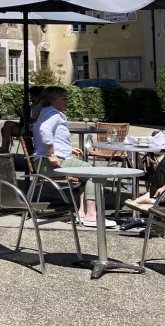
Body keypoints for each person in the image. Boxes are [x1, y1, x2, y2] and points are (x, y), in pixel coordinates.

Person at [32, 86, 109, 228]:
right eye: (64, 98)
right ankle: (91, 215)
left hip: (44, 162)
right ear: (53, 100)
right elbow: (45, 130)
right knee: (95, 173)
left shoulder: (45, 112)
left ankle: (83, 212)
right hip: (50, 164)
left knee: (86, 174)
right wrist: (51, 154)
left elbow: (52, 136)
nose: (67, 101)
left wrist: (68, 148)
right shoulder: (53, 114)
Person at [1, 86, 44, 152]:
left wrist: (23, 115)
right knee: (6, 125)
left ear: (38, 96)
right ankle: (4, 149)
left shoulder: (40, 106)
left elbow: (33, 120)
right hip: (24, 124)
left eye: (32, 97)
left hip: (30, 126)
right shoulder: (33, 104)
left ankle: (4, 149)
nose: (31, 98)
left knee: (5, 129)